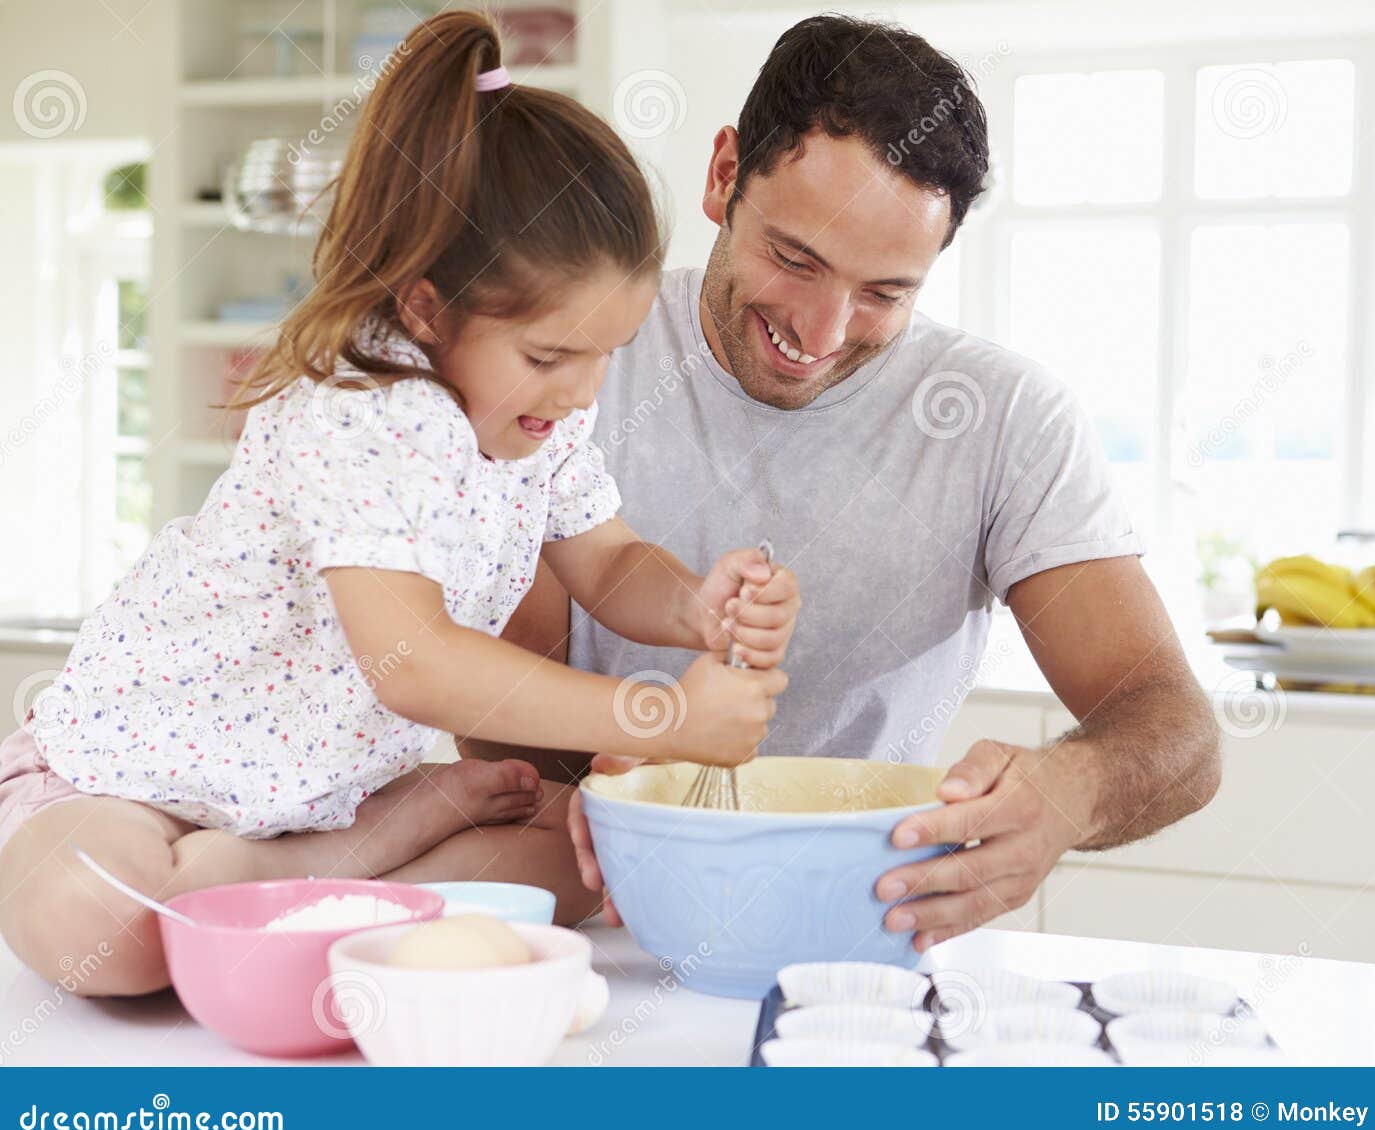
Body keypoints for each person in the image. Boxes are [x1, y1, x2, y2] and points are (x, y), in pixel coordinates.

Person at [0, 11, 797, 996]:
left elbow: (610, 560)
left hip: (319, 795)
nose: (583, 390)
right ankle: (340, 862)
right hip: (142, 780)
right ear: (426, 308)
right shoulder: (359, 407)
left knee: (581, 855)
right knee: (104, 923)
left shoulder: (537, 420)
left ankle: (301, 884)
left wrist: (693, 604)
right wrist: (659, 712)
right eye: (551, 356)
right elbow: (415, 663)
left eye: (607, 354)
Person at [463, 14, 1222, 953]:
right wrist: (617, 789)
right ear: (722, 176)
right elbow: (474, 671)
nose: (821, 333)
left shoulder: (1007, 421)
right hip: (597, 915)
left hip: (865, 937)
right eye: (795, 259)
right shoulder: (577, 350)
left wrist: (1073, 793)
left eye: (883, 293)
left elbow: (1176, 725)